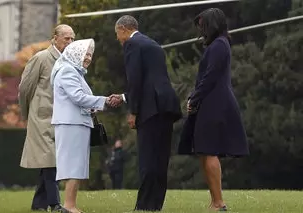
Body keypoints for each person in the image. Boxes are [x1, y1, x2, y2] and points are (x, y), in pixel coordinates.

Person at [178, 8, 249, 211]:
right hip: (210, 103)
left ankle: (219, 202)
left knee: (209, 150)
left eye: (203, 25)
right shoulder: (218, 45)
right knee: (204, 150)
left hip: (215, 104)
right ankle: (214, 201)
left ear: (212, 24)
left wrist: (194, 97)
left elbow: (210, 77)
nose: (201, 29)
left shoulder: (219, 45)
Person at [111, 15, 182, 211]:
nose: (118, 39)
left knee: (148, 158)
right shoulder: (153, 45)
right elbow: (151, 80)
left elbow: (135, 80)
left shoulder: (132, 44)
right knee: (161, 159)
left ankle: (144, 205)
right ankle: (155, 204)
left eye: (118, 34)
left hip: (149, 110)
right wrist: (125, 97)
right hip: (166, 106)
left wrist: (133, 111)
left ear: (124, 29)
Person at [50, 38, 116, 213]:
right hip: (71, 123)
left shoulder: (74, 72)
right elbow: (78, 97)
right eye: (85, 54)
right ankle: (69, 206)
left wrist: (93, 106)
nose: (88, 58)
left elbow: (78, 99)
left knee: (76, 164)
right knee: (73, 164)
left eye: (90, 55)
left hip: (76, 123)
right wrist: (104, 101)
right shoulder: (67, 71)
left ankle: (70, 204)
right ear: (75, 53)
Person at [18, 24, 75, 212]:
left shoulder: (69, 62)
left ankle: (38, 204)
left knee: (49, 162)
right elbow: (25, 89)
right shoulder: (41, 58)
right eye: (66, 38)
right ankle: (55, 204)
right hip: (41, 119)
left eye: (72, 38)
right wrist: (28, 115)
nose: (70, 42)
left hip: (61, 119)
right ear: (55, 38)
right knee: (51, 162)